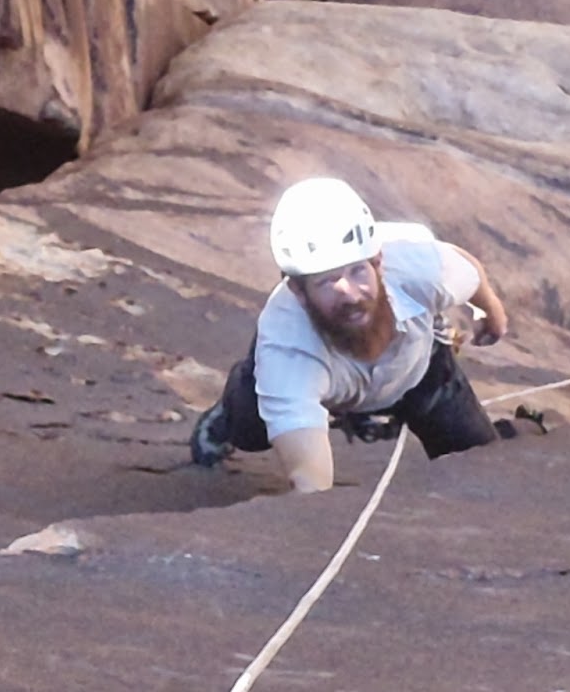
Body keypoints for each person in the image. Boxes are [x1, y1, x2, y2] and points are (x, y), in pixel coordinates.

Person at [190, 177, 510, 492]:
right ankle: (228, 411)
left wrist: (491, 314)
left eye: (357, 271)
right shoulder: (286, 347)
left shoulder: (419, 269)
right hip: (330, 388)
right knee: (251, 427)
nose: (349, 293)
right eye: (327, 281)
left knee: (478, 467)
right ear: (298, 292)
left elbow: (466, 268)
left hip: (419, 376)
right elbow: (309, 479)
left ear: (378, 263)